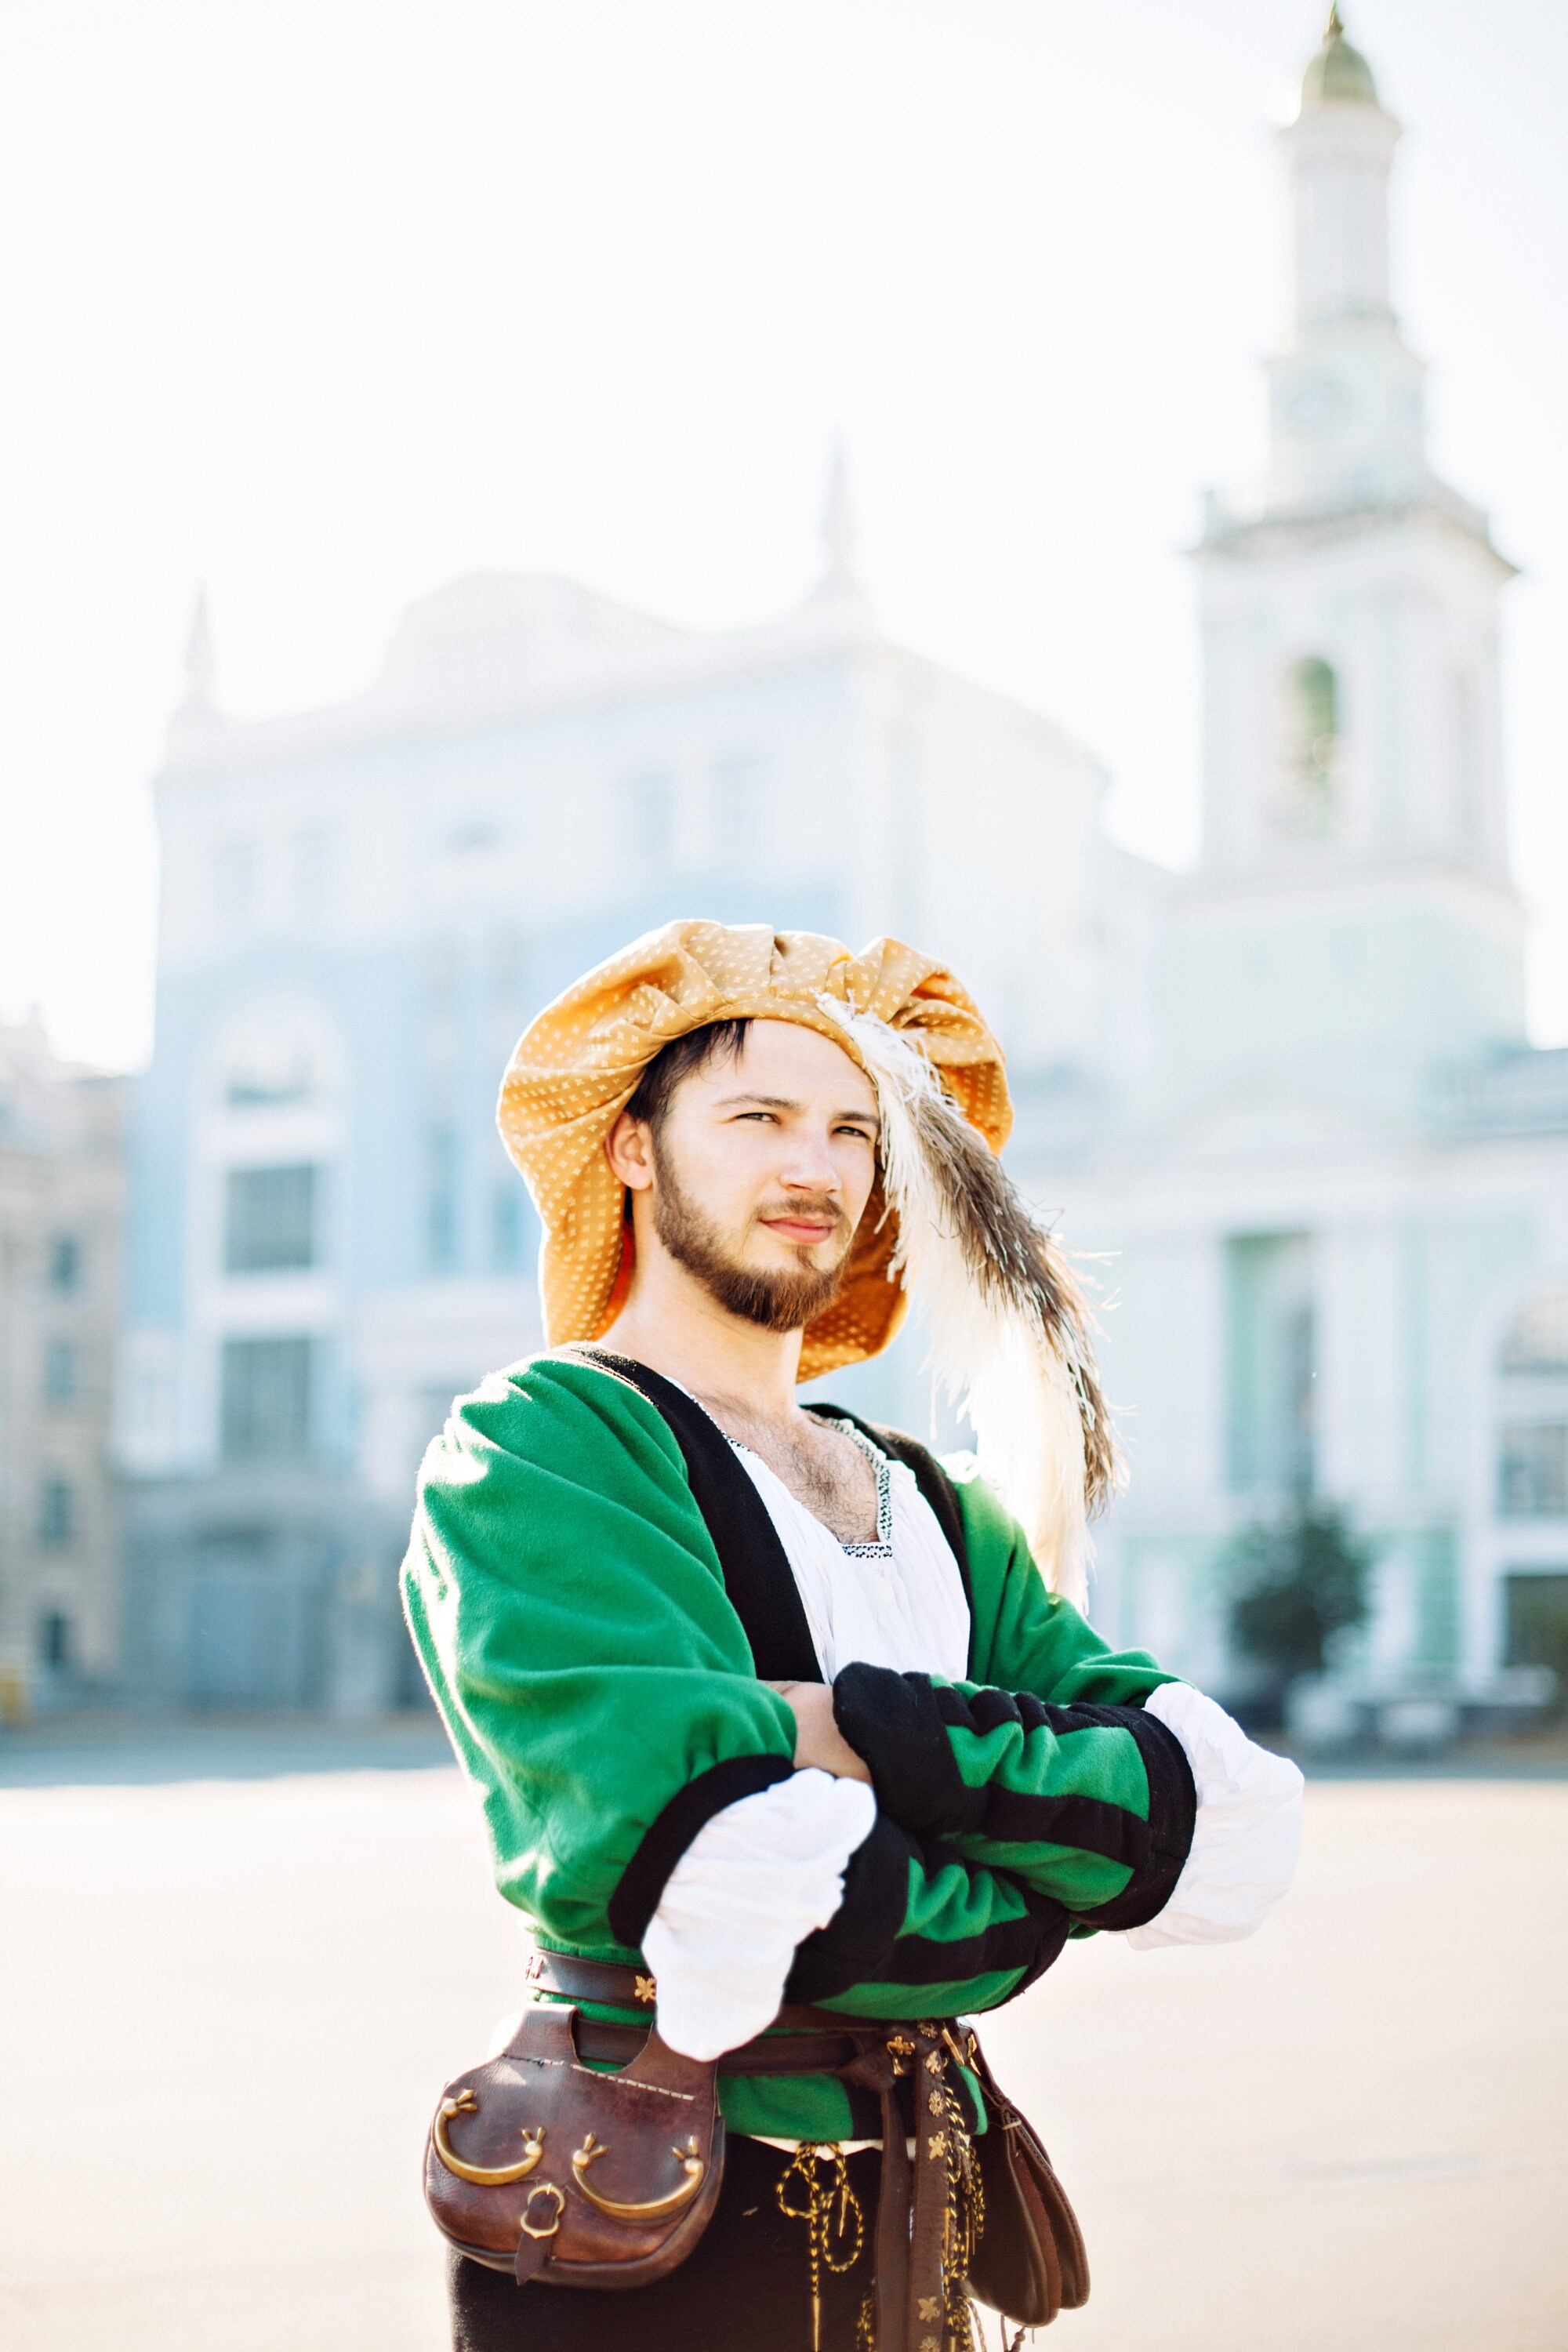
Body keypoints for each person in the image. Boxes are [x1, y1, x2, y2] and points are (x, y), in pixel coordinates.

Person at [405, 919, 1302, 2352]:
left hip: (920, 2211)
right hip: (659, 2230)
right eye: (756, 1116)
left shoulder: (933, 1502)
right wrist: (1047, 1873)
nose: (812, 1169)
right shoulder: (546, 1446)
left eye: (849, 1130)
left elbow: (1220, 1820)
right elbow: (715, 1858)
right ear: (634, 1147)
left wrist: (848, 1730)